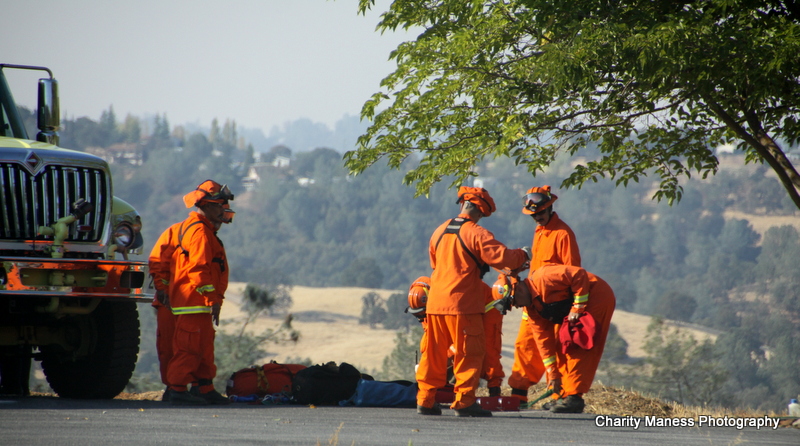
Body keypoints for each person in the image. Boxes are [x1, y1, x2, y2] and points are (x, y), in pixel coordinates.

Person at [416, 186, 530, 417]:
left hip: (436, 303)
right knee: (469, 353)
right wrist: (524, 254)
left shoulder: (439, 231)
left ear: (463, 204)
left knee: (433, 354)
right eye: (482, 215)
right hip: (463, 304)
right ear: (479, 210)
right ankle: (465, 402)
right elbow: (503, 258)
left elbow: (435, 264)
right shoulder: (476, 233)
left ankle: (425, 401)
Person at [148, 203, 233, 402]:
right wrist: (212, 299)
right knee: (188, 347)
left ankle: (201, 388)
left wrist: (164, 289)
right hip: (191, 302)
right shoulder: (200, 233)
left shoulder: (183, 230)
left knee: (196, 347)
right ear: (207, 206)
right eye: (221, 208)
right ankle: (178, 390)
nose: (224, 215)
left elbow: (158, 259)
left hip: (181, 302)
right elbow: (199, 270)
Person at [509, 185, 581, 405]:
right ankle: (518, 395)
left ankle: (560, 395)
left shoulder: (563, 233)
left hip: (555, 305)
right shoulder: (539, 231)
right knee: (524, 345)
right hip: (532, 301)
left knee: (558, 349)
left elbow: (573, 272)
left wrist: (573, 307)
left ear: (550, 208)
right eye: (533, 215)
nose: (537, 218)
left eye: (540, 213)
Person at [514, 264, 616, 413]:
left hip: (596, 296)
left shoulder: (544, 277)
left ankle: (574, 397)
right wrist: (553, 374)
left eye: (514, 301)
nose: (516, 306)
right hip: (576, 306)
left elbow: (579, 274)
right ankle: (563, 395)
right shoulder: (532, 309)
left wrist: (578, 307)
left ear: (520, 289)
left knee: (578, 343)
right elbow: (544, 343)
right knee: (560, 345)